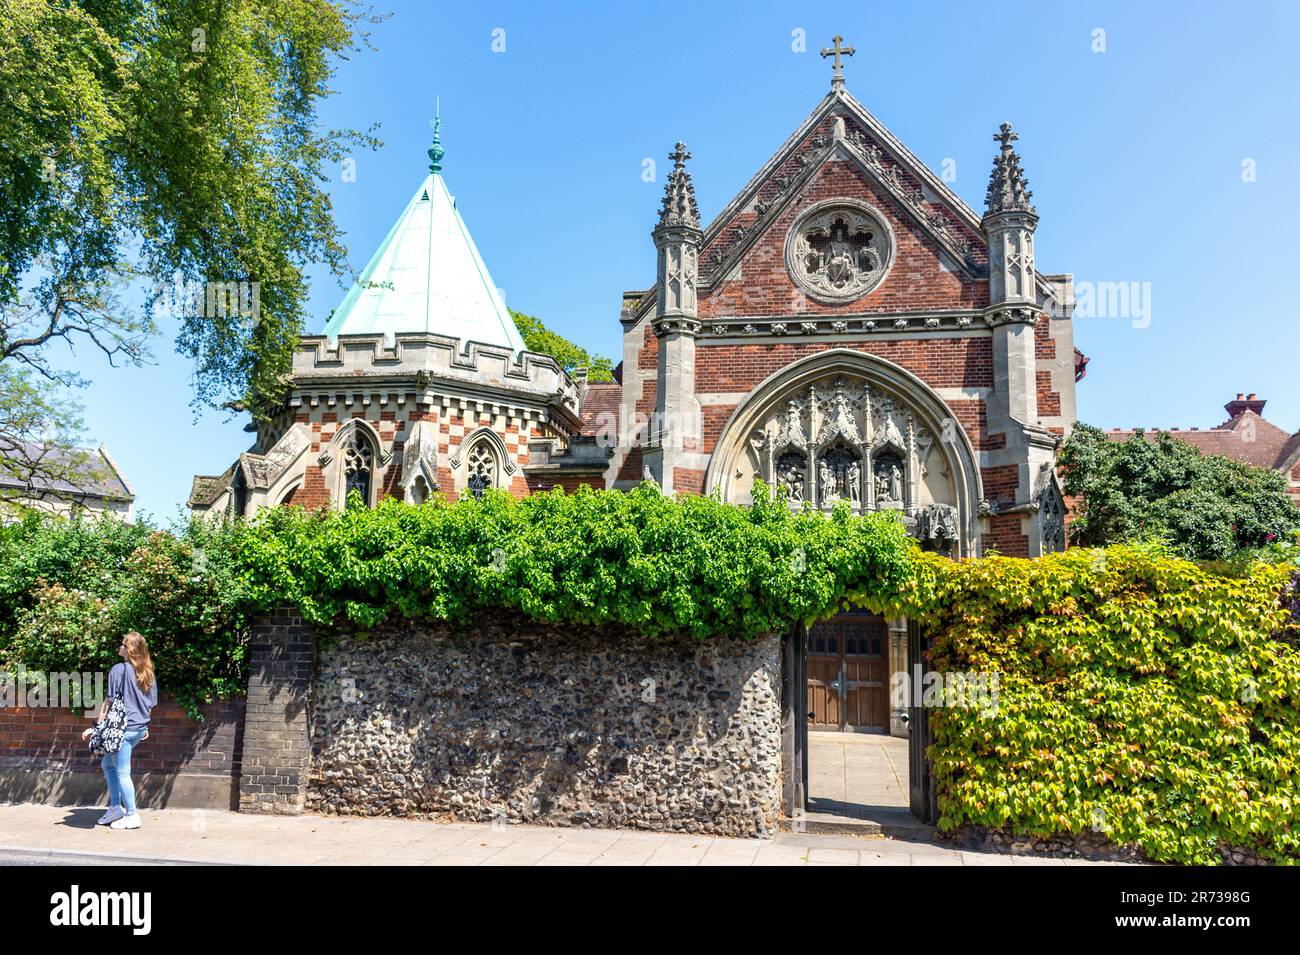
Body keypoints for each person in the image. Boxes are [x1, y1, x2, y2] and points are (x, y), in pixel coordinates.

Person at [82, 631, 158, 830]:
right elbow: (151, 703)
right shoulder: (147, 671)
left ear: (130, 650)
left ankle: (132, 814)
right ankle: (116, 808)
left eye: (123, 644)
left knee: (123, 772)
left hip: (122, 731)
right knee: (108, 764)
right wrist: (143, 725)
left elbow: (109, 702)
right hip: (138, 729)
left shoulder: (118, 670)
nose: (120, 647)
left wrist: (98, 728)